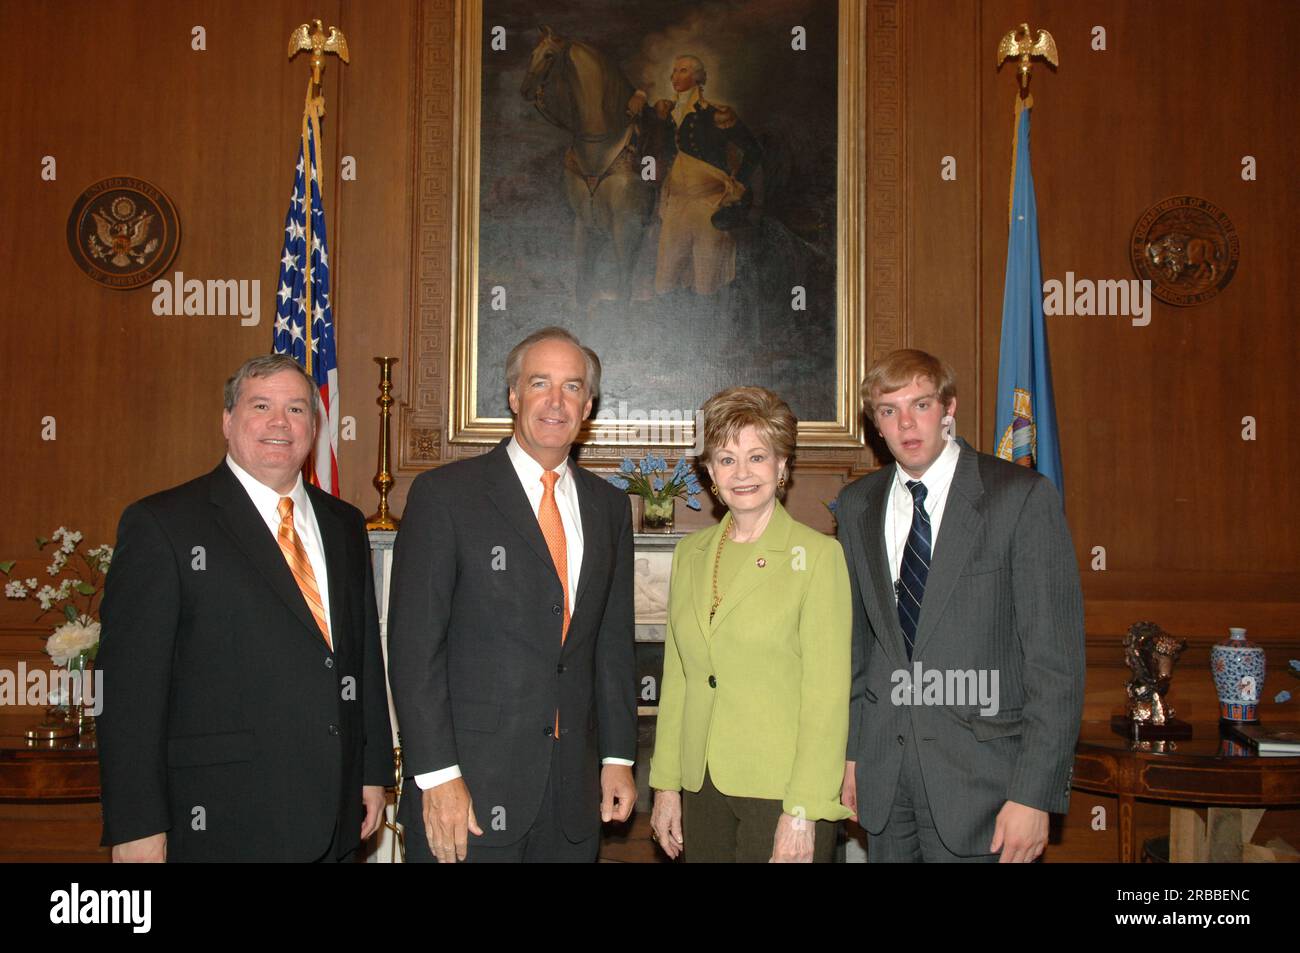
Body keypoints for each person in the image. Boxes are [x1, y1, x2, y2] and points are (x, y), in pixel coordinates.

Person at [97, 355, 393, 862]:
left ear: (314, 427)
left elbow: (361, 659)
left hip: (336, 816)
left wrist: (371, 772)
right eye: (262, 406)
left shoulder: (343, 524)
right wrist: (136, 824)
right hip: (221, 821)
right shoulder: (164, 525)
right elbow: (127, 690)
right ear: (228, 421)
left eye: (297, 409)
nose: (280, 423)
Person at [388, 326, 638, 863]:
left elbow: (612, 645)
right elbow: (413, 651)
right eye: (539, 383)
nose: (555, 401)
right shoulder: (445, 497)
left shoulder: (609, 507)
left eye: (572, 387)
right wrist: (437, 776)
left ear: (588, 405)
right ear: (512, 395)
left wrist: (618, 756)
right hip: (469, 793)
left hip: (573, 797)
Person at [837, 349, 1085, 862]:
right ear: (874, 425)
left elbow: (1055, 665)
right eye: (888, 411)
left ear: (948, 408)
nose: (906, 423)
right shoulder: (859, 504)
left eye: (920, 405)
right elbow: (860, 650)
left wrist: (1034, 794)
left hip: (987, 787)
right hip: (885, 778)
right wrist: (854, 756)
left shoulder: (1020, 497)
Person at [649, 386, 851, 862]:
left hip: (781, 791)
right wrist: (665, 785)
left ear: (783, 466)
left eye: (757, 456)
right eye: (726, 459)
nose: (742, 473)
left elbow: (827, 698)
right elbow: (679, 679)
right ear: (710, 474)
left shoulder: (819, 557)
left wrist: (803, 808)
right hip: (702, 789)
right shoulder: (690, 555)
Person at [629, 55, 762, 296]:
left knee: (706, 281)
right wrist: (639, 94)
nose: (674, 76)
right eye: (674, 71)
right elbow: (643, 130)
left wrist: (737, 186)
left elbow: (753, 151)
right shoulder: (665, 113)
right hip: (676, 203)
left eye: (682, 71)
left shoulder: (716, 114)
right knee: (666, 280)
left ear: (697, 77)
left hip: (708, 203)